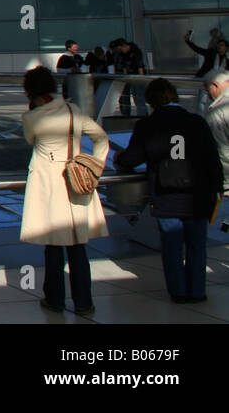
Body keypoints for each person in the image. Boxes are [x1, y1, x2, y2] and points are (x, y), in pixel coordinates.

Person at [115, 78, 222, 303]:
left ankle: (179, 291)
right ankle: (197, 291)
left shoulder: (147, 125)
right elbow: (213, 159)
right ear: (175, 96)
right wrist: (216, 190)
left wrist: (119, 159)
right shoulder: (196, 122)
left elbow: (132, 158)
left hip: (167, 195)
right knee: (196, 246)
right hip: (198, 195)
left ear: (151, 101)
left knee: (172, 247)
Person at [18, 65, 109, 316]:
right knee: (78, 246)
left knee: (53, 246)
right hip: (76, 182)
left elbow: (31, 140)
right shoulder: (73, 111)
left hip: (48, 185)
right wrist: (95, 166)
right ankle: (84, 302)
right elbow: (101, 137)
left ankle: (54, 299)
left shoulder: (32, 118)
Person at [202, 70, 229, 187]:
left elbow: (222, 151)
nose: (208, 95)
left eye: (208, 90)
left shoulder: (217, 112)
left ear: (215, 85)